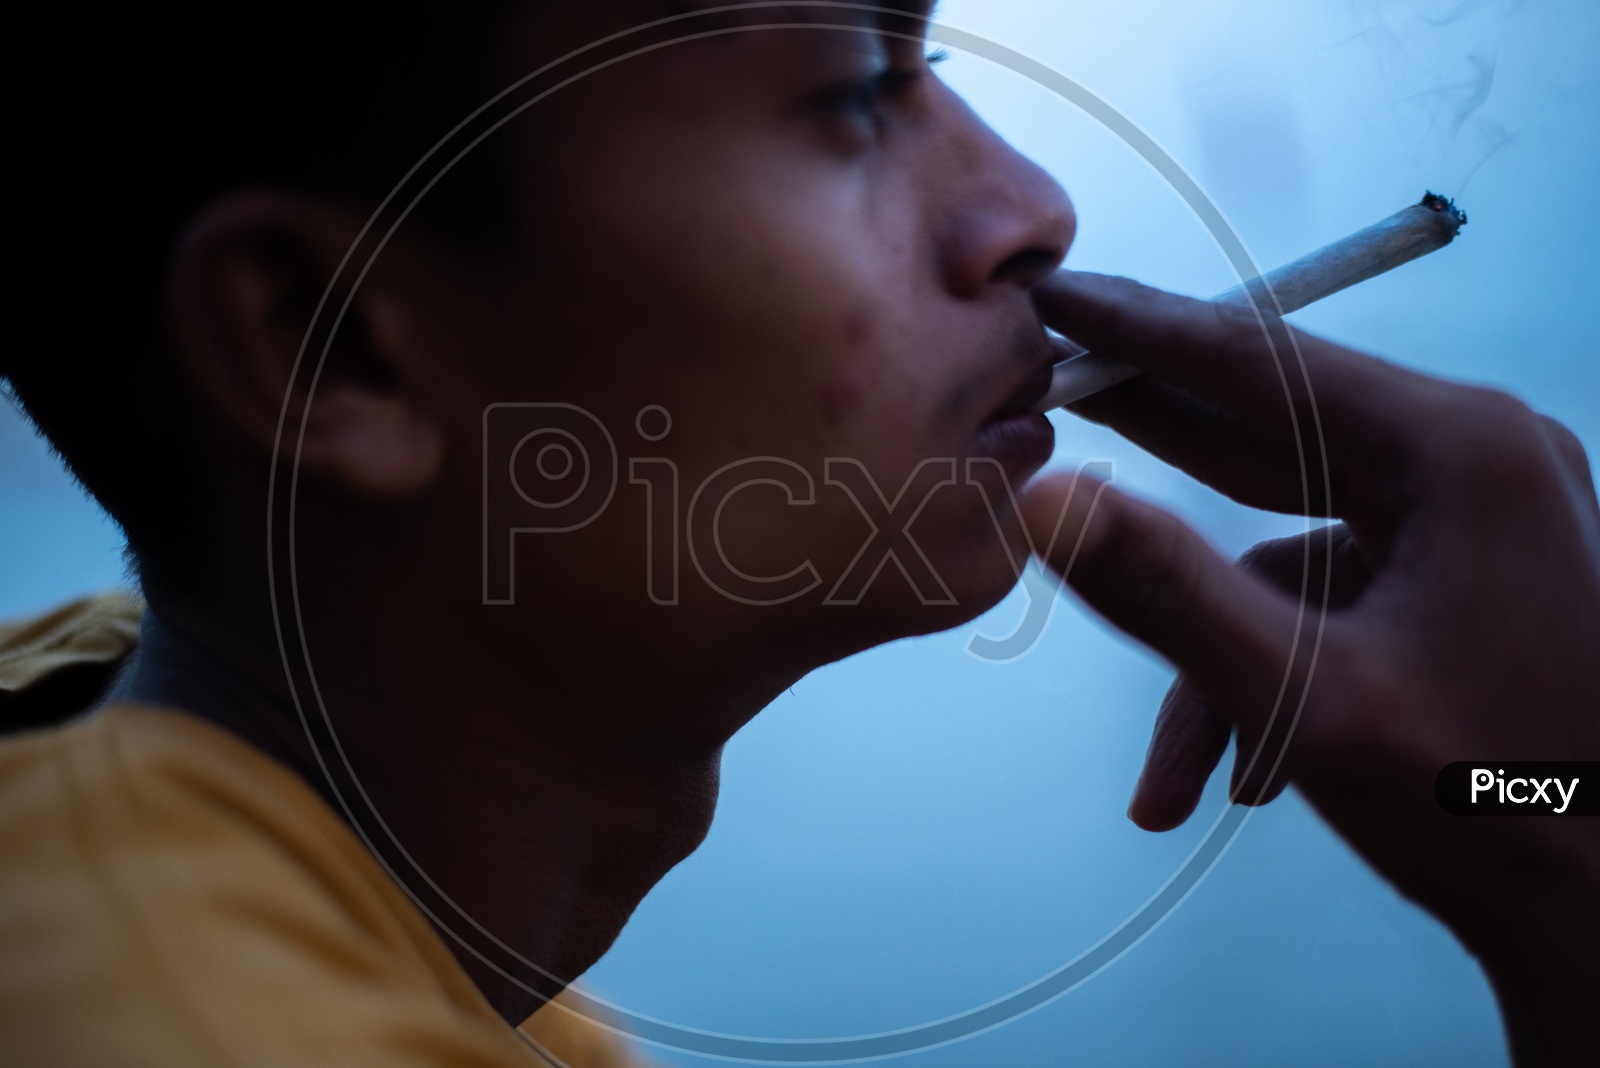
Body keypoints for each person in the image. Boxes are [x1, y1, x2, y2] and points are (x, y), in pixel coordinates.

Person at [0, 3, 1593, 1066]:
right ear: (330, 340)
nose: (1031, 206)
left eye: (939, 73)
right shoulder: (193, 1023)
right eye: (850, 96)